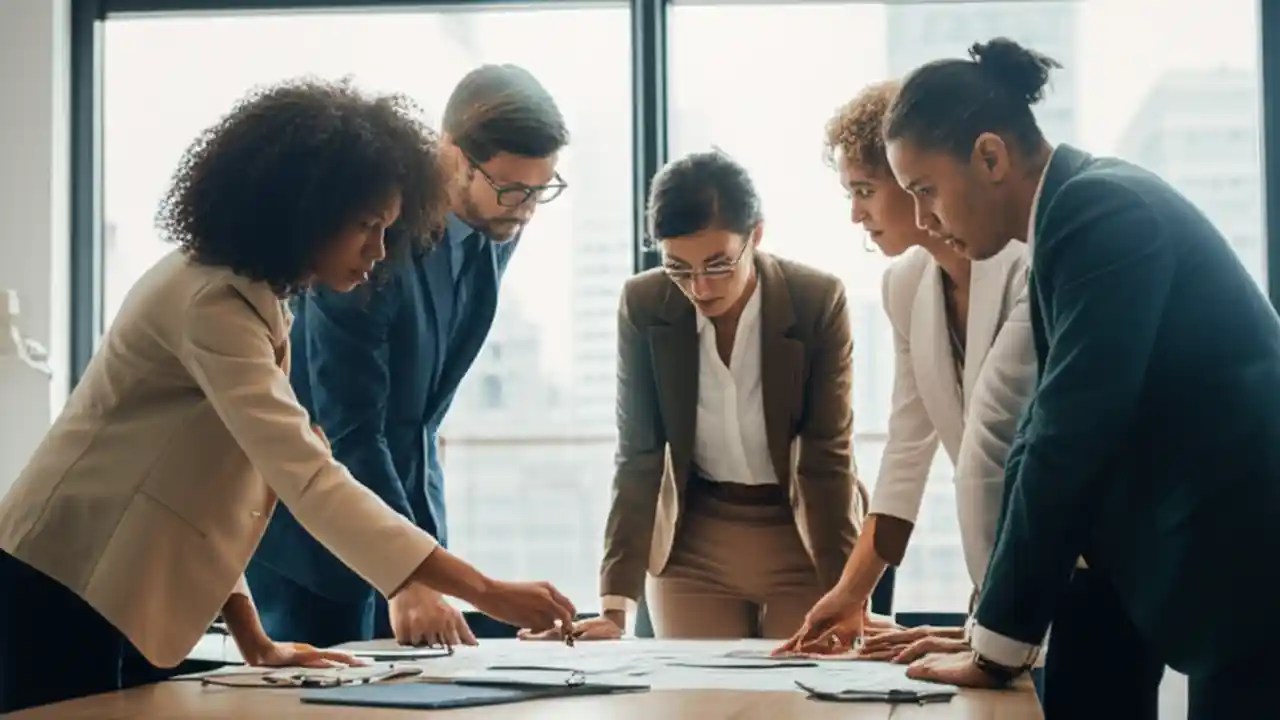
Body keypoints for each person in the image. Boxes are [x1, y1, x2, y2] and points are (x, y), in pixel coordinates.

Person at [0, 78, 576, 714]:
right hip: (64, 578)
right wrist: (485, 588)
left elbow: (206, 487)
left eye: (387, 228)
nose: (379, 251)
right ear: (306, 210)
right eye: (366, 227)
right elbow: (307, 476)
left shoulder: (259, 297)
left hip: (121, 584)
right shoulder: (209, 299)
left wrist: (256, 640)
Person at [877, 38, 1280, 720]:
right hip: (1181, 551)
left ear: (990, 156)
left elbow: (1069, 435)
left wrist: (996, 644)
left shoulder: (1101, 214)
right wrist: (992, 628)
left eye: (925, 191)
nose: (923, 221)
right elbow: (1041, 435)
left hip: (1248, 566)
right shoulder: (1072, 214)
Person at [248, 64, 569, 648]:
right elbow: (352, 429)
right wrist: (408, 574)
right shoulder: (370, 240)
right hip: (316, 547)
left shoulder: (495, 227)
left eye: (539, 190)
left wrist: (426, 559)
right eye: (510, 189)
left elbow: (420, 417)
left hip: (409, 514)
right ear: (451, 155)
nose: (524, 210)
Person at [524, 149, 866, 642]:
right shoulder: (645, 304)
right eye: (678, 267)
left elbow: (828, 458)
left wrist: (847, 591)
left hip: (802, 535)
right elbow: (638, 455)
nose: (700, 287)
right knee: (694, 702)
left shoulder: (815, 300)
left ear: (757, 237)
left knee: (800, 703)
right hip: (694, 543)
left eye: (718, 264)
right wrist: (615, 608)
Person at [775, 80, 1036, 665]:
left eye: (865, 190)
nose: (855, 214)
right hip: (1000, 571)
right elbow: (907, 453)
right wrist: (851, 592)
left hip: (1075, 559)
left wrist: (984, 624)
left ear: (915, 179)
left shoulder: (1026, 266)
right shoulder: (905, 285)